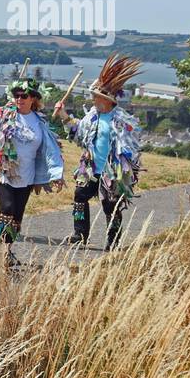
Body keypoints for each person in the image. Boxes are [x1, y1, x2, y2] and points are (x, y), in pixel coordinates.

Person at [53, 54, 144, 251]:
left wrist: (125, 169)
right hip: (90, 168)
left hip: (112, 171)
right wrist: (63, 116)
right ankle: (79, 234)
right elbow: (78, 134)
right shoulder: (92, 116)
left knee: (110, 206)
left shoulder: (121, 119)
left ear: (107, 99)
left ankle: (113, 241)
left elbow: (132, 146)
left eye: (96, 96)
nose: (93, 99)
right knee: (79, 196)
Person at [0, 78, 66, 265]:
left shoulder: (40, 122)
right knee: (7, 207)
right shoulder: (3, 114)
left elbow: (51, 149)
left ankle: (7, 250)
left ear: (33, 99)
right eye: (16, 95)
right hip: (3, 171)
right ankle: (1, 250)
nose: (19, 98)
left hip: (27, 176)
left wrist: (56, 174)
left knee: (17, 216)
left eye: (24, 95)